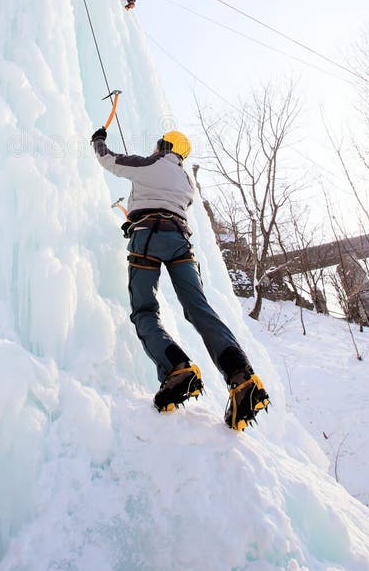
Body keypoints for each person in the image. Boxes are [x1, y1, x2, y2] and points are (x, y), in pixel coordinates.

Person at [91, 126, 270, 430]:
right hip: (180, 243)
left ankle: (177, 369)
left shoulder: (150, 163)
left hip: (147, 238)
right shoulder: (187, 181)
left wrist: (99, 141)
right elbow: (167, 201)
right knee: (199, 309)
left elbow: (111, 161)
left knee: (145, 310)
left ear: (164, 145)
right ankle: (241, 377)